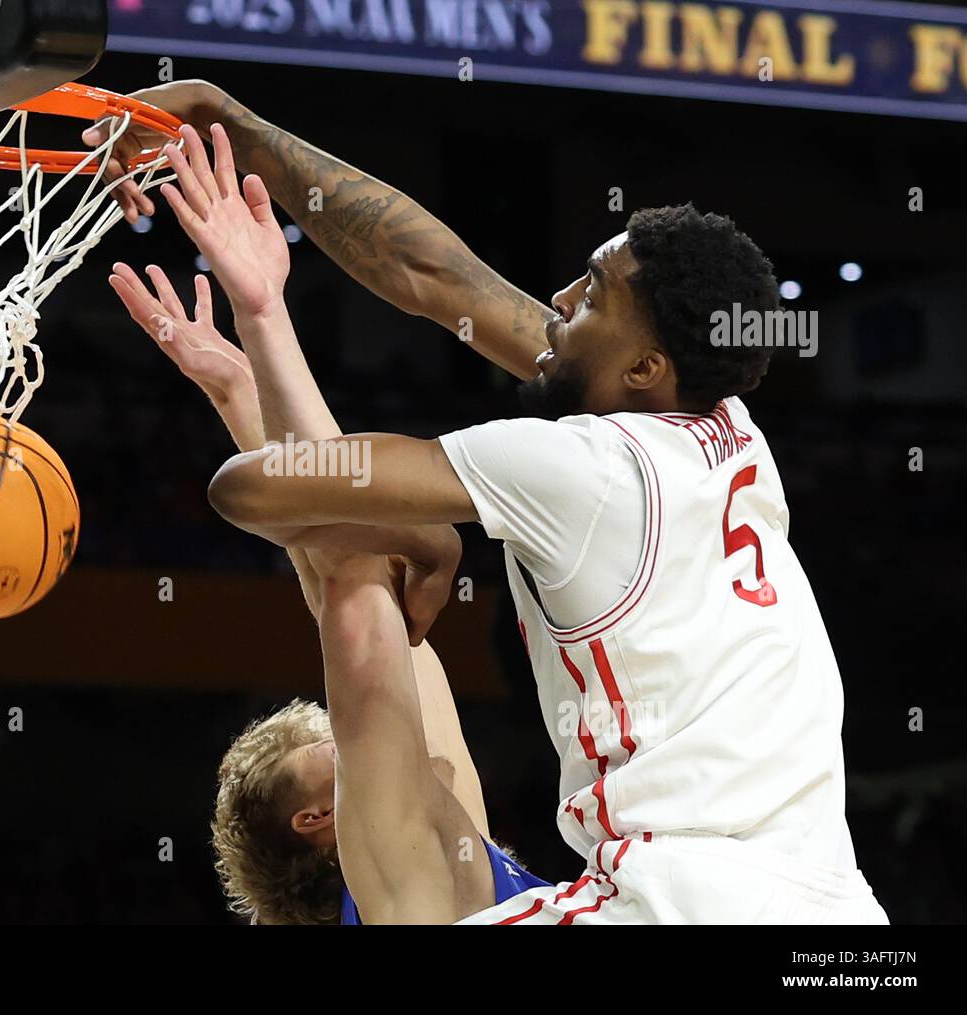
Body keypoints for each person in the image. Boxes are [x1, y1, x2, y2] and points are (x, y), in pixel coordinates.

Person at [128, 111, 887, 924]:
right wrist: (238, 132)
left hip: (679, 903)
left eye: (591, 296)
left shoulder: (576, 466)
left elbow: (253, 491)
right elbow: (441, 277)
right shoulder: (724, 422)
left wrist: (416, 528)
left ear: (643, 365)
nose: (559, 303)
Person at [109, 252, 548, 925]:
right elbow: (351, 574)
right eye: (339, 743)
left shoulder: (452, 858)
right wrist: (262, 314)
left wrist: (236, 390)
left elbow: (360, 590)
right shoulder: (408, 879)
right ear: (317, 819)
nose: (364, 727)